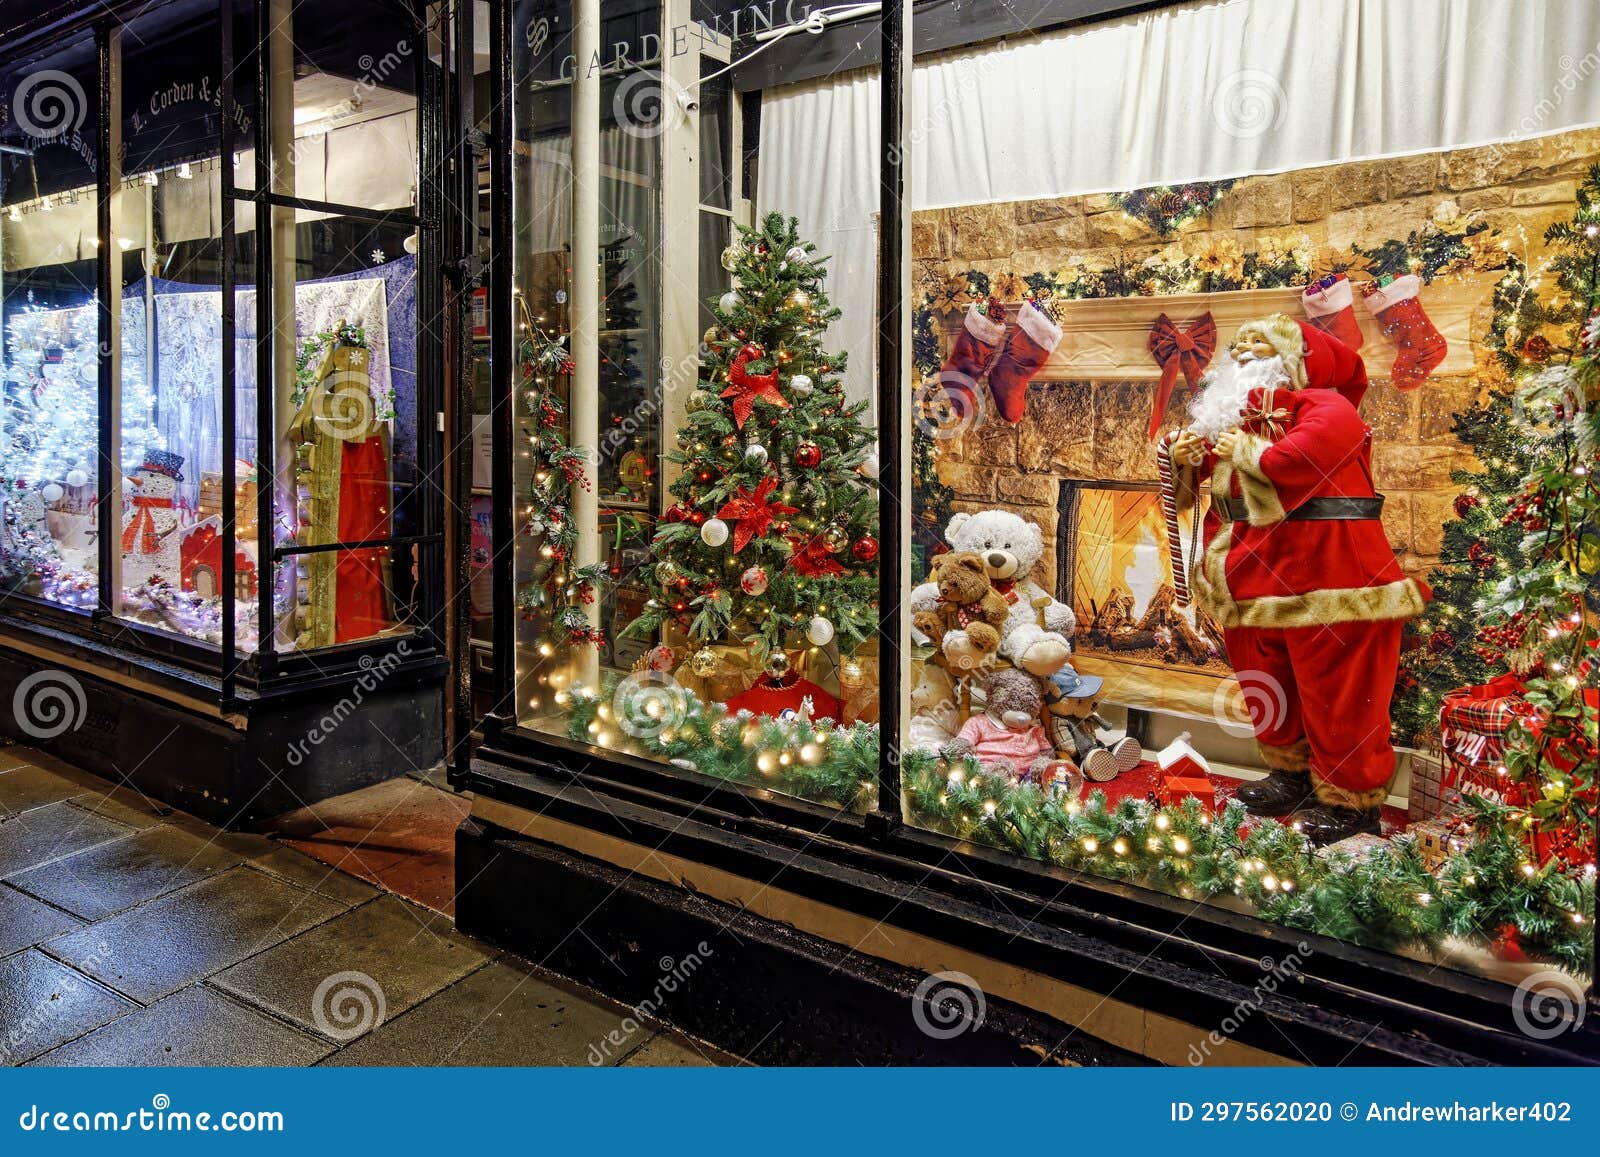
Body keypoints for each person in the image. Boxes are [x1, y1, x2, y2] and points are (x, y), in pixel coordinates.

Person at [1167, 314, 1429, 843]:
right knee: (1270, 684)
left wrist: (1240, 449)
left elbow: (1303, 456)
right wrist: (1184, 461)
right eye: (1237, 349)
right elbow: (1208, 495)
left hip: (1334, 585)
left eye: (1256, 347)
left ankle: (1351, 801)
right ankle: (1291, 774)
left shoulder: (1328, 407)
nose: (1241, 355)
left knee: (1341, 694)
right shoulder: (1233, 422)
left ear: (1294, 361)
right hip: (1253, 582)